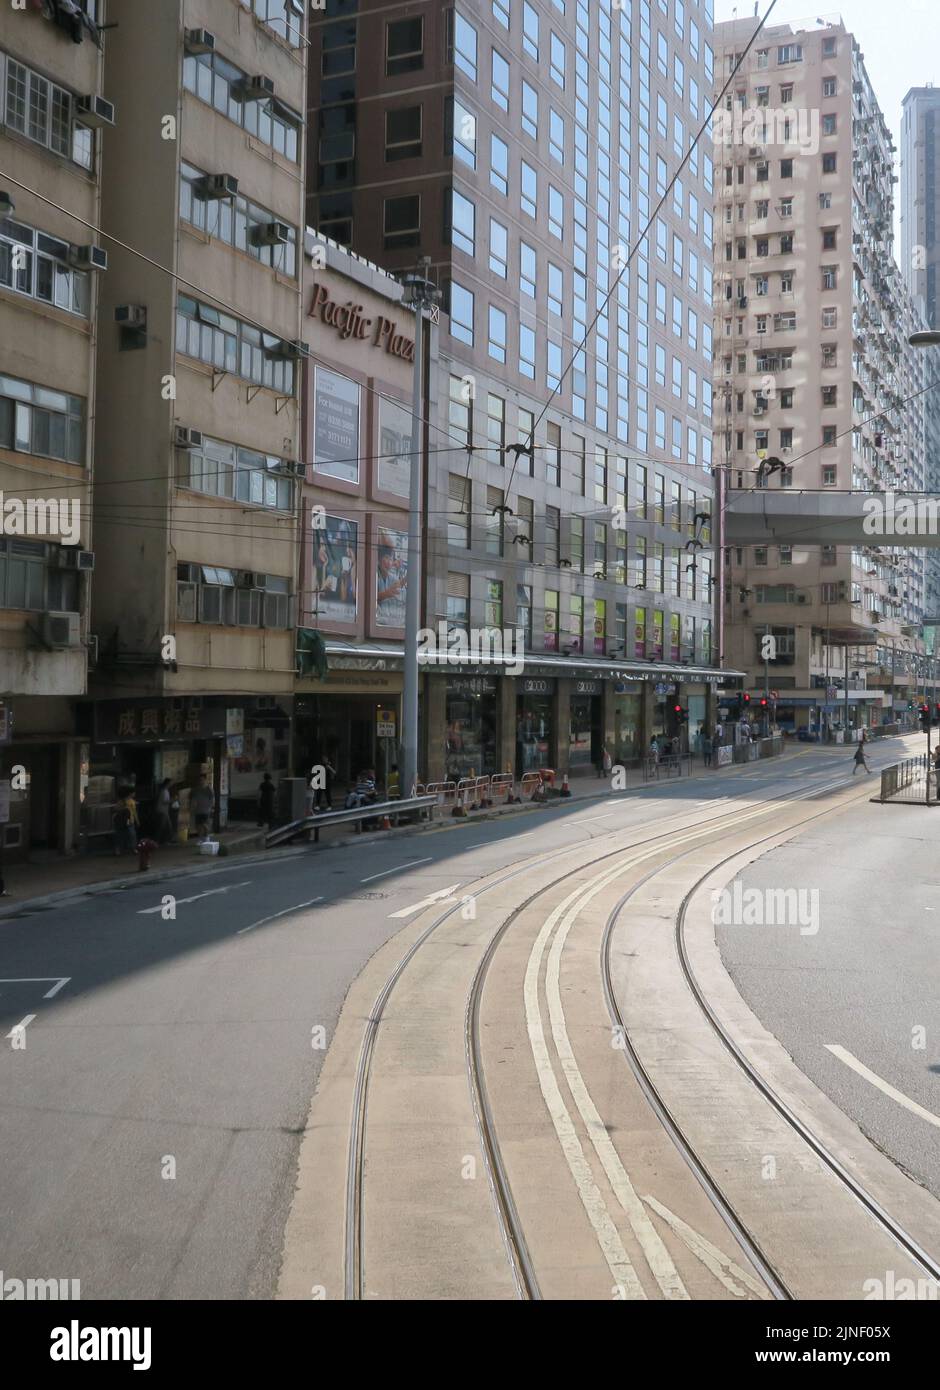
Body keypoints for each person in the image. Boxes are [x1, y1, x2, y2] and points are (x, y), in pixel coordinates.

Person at [113, 788, 139, 855]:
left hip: (129, 820)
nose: (134, 794)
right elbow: (115, 809)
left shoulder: (130, 801)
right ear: (130, 793)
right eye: (133, 793)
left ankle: (129, 848)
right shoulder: (123, 802)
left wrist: (136, 820)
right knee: (129, 835)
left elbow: (134, 812)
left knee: (125, 835)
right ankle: (128, 848)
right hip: (125, 821)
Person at [153, 778, 173, 844]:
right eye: (171, 783)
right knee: (162, 827)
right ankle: (157, 841)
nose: (171, 784)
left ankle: (163, 840)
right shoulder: (164, 791)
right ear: (168, 783)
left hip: (164, 811)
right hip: (162, 811)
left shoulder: (165, 790)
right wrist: (172, 800)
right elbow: (164, 801)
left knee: (166, 826)